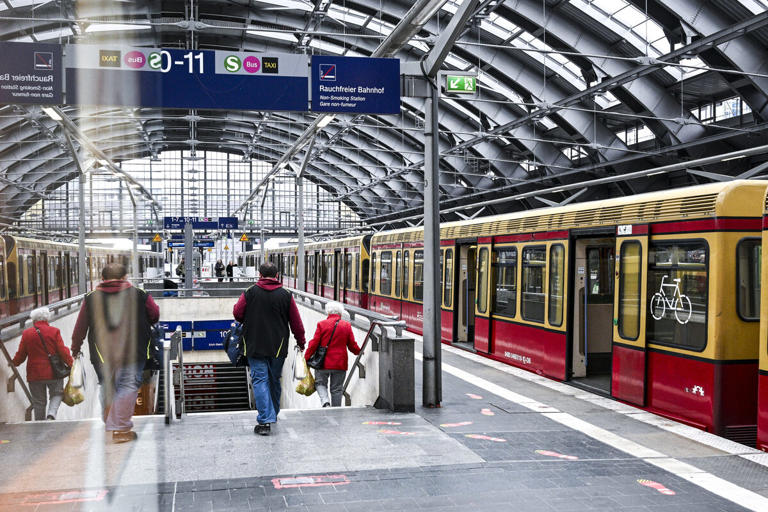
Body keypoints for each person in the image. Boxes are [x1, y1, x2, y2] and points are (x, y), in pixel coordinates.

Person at [71, 263, 160, 443]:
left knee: (107, 385)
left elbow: (81, 326)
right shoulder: (140, 294)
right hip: (133, 351)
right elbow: (154, 315)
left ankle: (110, 420)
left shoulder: (91, 298)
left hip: (102, 354)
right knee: (127, 385)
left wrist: (75, 347)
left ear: (103, 279)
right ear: (125, 277)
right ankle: (120, 429)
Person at [233, 262, 305, 435]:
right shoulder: (286, 294)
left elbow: (237, 313)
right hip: (278, 346)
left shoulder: (250, 292)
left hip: (254, 344)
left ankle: (265, 420)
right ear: (277, 275)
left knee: (259, 380)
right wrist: (301, 341)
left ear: (259, 275)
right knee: (274, 380)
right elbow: (296, 322)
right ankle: (273, 413)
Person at [12, 307, 73, 421]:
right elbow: (62, 351)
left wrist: (13, 363)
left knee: (39, 402)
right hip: (54, 373)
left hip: (34, 374)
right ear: (47, 319)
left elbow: (21, 355)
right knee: (57, 394)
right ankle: (51, 415)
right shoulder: (54, 331)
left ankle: (39, 424)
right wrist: (71, 364)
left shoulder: (27, 334)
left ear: (34, 320)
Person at [304, 302, 361, 408]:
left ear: (328, 312)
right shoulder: (346, 325)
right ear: (340, 313)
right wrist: (359, 351)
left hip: (322, 363)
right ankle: (336, 410)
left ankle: (325, 402)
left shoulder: (321, 324)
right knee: (337, 389)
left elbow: (314, 344)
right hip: (340, 364)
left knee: (320, 383)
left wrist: (306, 357)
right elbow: (352, 345)